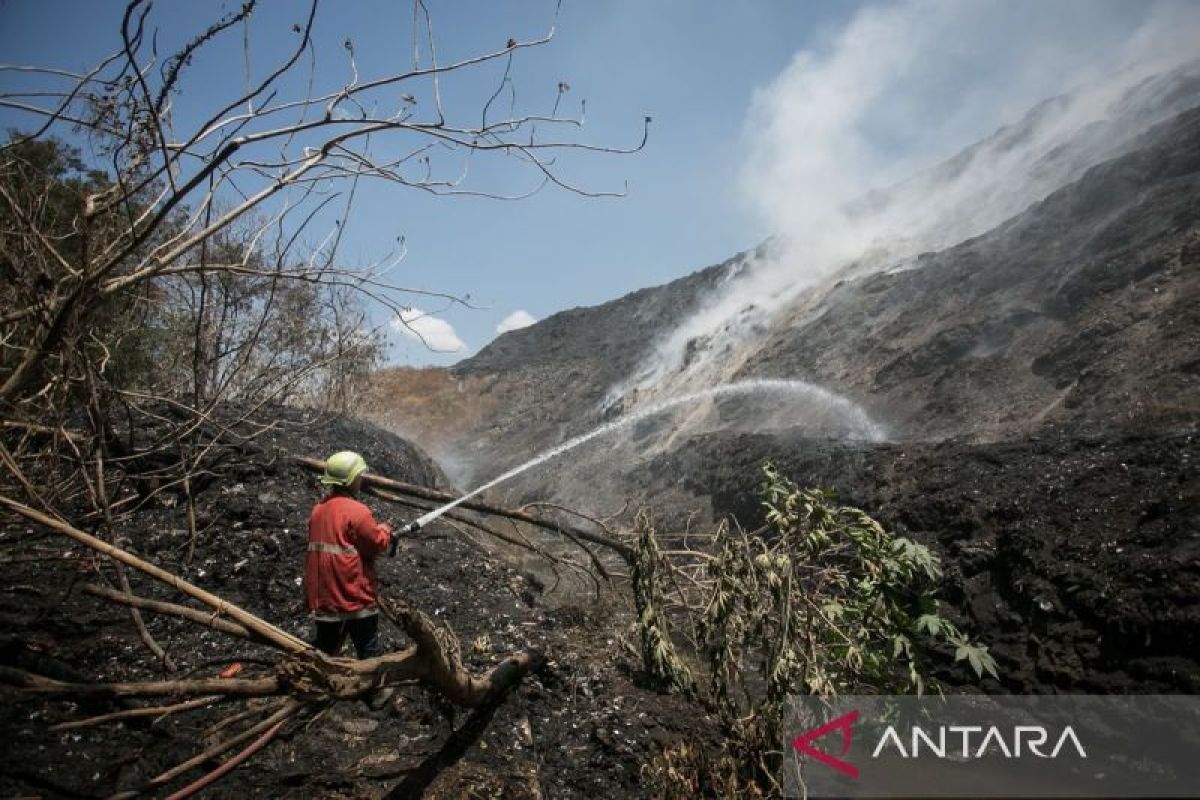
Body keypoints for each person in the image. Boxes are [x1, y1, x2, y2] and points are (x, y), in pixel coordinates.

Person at [305, 450, 395, 659]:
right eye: (359, 476)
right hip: (353, 595)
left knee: (326, 649)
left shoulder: (318, 510)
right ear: (352, 479)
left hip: (325, 596)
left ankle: (323, 684)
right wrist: (385, 530)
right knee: (368, 650)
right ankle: (372, 690)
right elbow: (376, 544)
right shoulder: (358, 511)